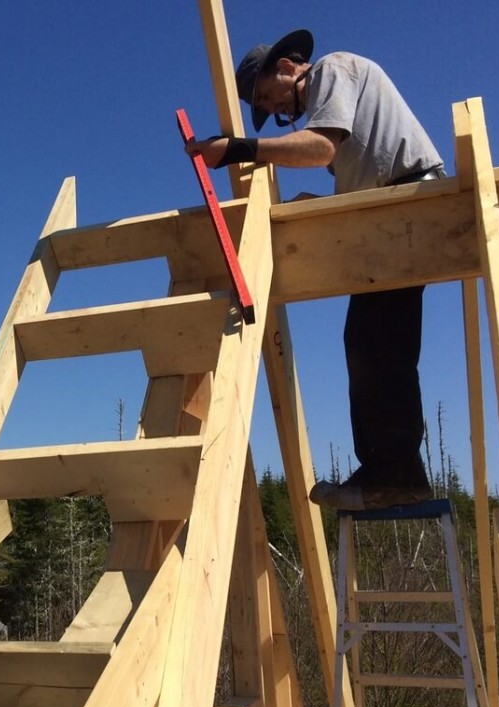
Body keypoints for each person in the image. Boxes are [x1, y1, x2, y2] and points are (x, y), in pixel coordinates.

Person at [186, 29, 443, 511]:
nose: (279, 111)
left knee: (375, 343)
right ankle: (388, 471)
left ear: (287, 66)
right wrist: (321, 205)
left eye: (267, 95)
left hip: (409, 205)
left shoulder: (330, 69)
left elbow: (320, 148)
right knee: (371, 342)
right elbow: (354, 162)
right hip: (389, 212)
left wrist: (241, 149)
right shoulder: (338, 97)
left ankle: (397, 474)